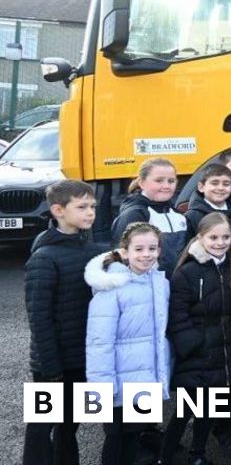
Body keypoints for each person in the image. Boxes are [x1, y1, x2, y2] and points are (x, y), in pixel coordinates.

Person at [24, 180, 107, 465]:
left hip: (81, 359)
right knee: (40, 427)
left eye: (93, 206)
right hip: (51, 363)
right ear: (58, 210)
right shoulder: (43, 258)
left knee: (70, 425)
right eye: (82, 207)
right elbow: (39, 318)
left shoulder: (92, 252)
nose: (90, 212)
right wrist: (51, 367)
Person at [162, 213, 231, 465]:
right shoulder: (186, 273)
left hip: (225, 348)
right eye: (213, 237)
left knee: (210, 408)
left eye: (225, 237)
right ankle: (164, 457)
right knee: (185, 409)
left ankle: (197, 454)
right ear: (200, 238)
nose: (220, 243)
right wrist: (193, 344)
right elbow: (178, 315)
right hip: (198, 352)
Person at [85, 223, 172, 465]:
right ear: (125, 252)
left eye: (152, 248)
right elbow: (99, 342)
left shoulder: (160, 284)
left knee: (134, 435)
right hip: (116, 379)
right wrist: (102, 386)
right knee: (115, 437)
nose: (146, 254)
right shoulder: (112, 287)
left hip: (145, 376)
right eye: (139, 249)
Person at [110, 158, 189, 276]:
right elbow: (122, 256)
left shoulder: (178, 215)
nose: (166, 186)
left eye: (171, 181)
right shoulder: (135, 213)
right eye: (159, 181)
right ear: (142, 183)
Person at [184, 163, 231, 237]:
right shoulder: (192, 216)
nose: (220, 188)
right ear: (201, 187)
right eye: (214, 183)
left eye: (226, 184)